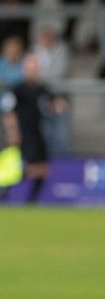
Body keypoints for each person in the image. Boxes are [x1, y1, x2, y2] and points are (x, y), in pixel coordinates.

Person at [1, 54, 54, 203]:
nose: (33, 71)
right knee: (28, 168)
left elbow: (51, 104)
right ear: (24, 70)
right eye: (30, 68)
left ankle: (31, 201)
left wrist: (58, 106)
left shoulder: (43, 89)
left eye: (35, 68)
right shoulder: (18, 89)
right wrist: (12, 131)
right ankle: (4, 188)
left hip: (38, 132)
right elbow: (8, 111)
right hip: (23, 133)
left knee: (44, 170)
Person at [34, 27, 72, 157]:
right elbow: (33, 73)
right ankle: (49, 164)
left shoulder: (62, 51)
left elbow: (60, 72)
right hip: (41, 98)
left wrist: (42, 81)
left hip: (60, 97)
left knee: (62, 135)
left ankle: (64, 166)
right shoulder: (35, 51)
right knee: (46, 134)